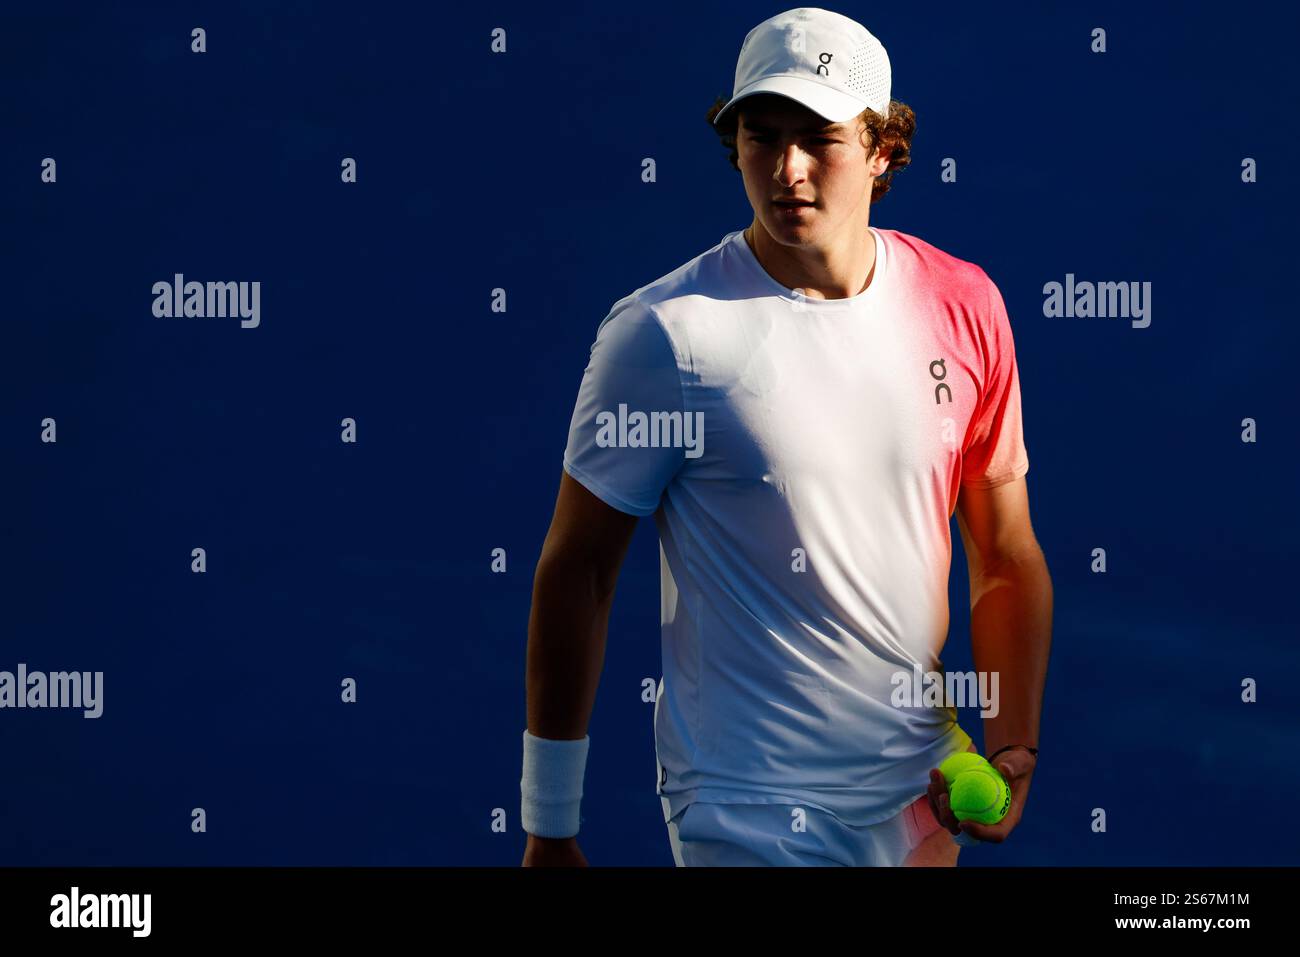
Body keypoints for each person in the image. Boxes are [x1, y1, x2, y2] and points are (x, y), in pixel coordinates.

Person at [521, 7, 1052, 867]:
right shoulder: (664, 334)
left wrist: (1014, 740)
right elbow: (578, 569)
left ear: (883, 151)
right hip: (745, 805)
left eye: (819, 138)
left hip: (923, 790)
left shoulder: (964, 305)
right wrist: (550, 820)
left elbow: (1005, 551)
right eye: (761, 137)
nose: (787, 168)